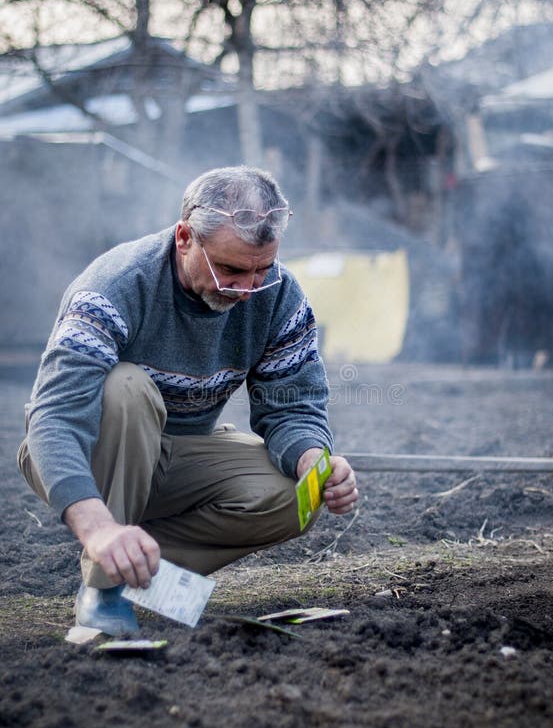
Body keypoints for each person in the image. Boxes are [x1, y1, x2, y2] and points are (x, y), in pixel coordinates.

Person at [17, 166, 358, 635]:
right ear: (184, 238)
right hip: (89, 451)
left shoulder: (277, 295)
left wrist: (311, 460)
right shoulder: (116, 286)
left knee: (292, 495)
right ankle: (107, 585)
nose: (247, 288)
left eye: (262, 268)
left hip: (178, 454)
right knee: (127, 388)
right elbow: (54, 419)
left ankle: (132, 567)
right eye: (232, 269)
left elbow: (293, 405)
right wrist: (98, 529)